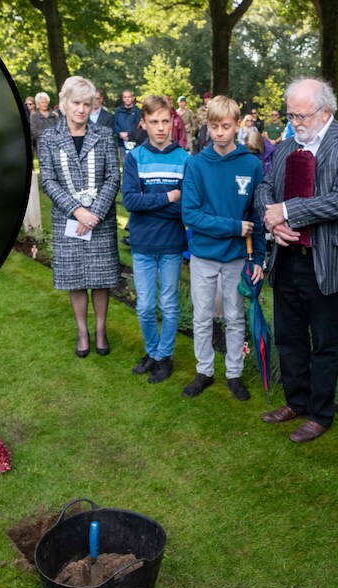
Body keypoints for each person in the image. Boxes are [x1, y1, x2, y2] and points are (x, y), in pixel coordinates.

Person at [255, 78, 338, 443]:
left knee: (324, 340)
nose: (295, 122)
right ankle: (296, 401)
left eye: (300, 115)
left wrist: (286, 211)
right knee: (288, 337)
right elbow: (264, 189)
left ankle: (320, 414)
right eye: (290, 114)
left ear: (325, 112)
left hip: (326, 260)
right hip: (287, 257)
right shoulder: (288, 145)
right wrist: (272, 218)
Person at [180, 96, 265, 401]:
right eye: (214, 126)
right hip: (203, 254)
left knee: (235, 317)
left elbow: (258, 217)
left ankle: (234, 374)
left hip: (236, 258)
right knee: (202, 316)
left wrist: (259, 258)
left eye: (225, 126)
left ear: (237, 125)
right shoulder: (197, 164)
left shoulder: (251, 164)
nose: (219, 133)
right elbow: (190, 214)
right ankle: (204, 371)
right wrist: (232, 227)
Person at [39, 76, 121, 358]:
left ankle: (100, 330)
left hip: (101, 220)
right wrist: (78, 211)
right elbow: (48, 180)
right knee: (75, 279)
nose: (81, 109)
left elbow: (113, 176)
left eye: (87, 104)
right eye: (76, 103)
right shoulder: (49, 137)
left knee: (100, 279)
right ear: (63, 103)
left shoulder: (104, 135)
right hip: (68, 220)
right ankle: (82, 332)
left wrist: (95, 212)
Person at [122, 95, 190, 384]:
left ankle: (165, 357)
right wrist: (167, 197)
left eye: (165, 121)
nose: (161, 128)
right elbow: (130, 202)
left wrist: (154, 203)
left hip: (172, 243)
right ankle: (151, 351)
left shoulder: (184, 159)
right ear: (144, 123)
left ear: (172, 122)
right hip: (143, 243)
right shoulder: (134, 157)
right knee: (146, 305)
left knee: (169, 303)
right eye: (154, 122)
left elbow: (185, 207)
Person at [114, 89, 141, 154]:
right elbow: (114, 124)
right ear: (122, 98)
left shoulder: (138, 111)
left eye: (129, 97)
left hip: (134, 142)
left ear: (132, 98)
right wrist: (119, 133)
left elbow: (138, 126)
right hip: (120, 142)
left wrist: (128, 134)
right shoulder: (118, 111)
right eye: (125, 97)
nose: (127, 99)